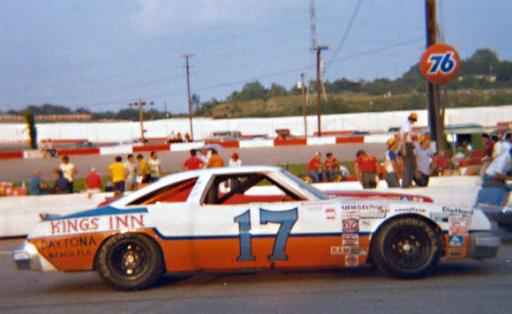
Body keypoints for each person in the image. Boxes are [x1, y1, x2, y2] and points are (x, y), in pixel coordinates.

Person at [400, 112, 418, 188]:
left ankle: (409, 182)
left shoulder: (407, 124)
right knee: (408, 165)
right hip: (406, 145)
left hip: (408, 144)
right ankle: (406, 183)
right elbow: (404, 137)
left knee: (412, 165)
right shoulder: (407, 125)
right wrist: (404, 149)